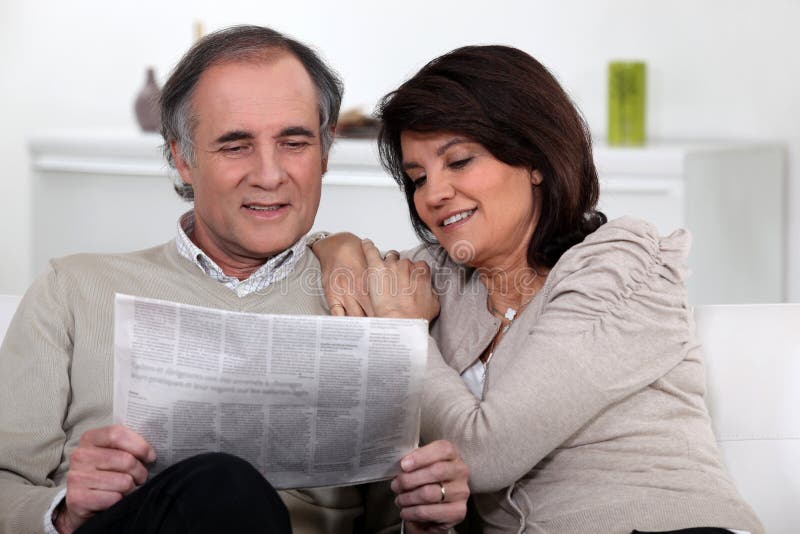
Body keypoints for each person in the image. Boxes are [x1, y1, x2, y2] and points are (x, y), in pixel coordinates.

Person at [0, 26, 469, 534]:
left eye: (294, 142)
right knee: (221, 486)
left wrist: (426, 519)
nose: (269, 175)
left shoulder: (372, 296)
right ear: (182, 156)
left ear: (325, 153)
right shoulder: (73, 289)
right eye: (235, 146)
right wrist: (63, 511)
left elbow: (392, 517)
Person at [313, 45, 764, 533]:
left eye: (459, 161)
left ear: (534, 160)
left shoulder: (619, 266)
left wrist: (405, 332)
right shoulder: (440, 275)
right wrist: (330, 244)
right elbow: (348, 267)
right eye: (417, 178)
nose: (433, 194)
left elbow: (484, 453)